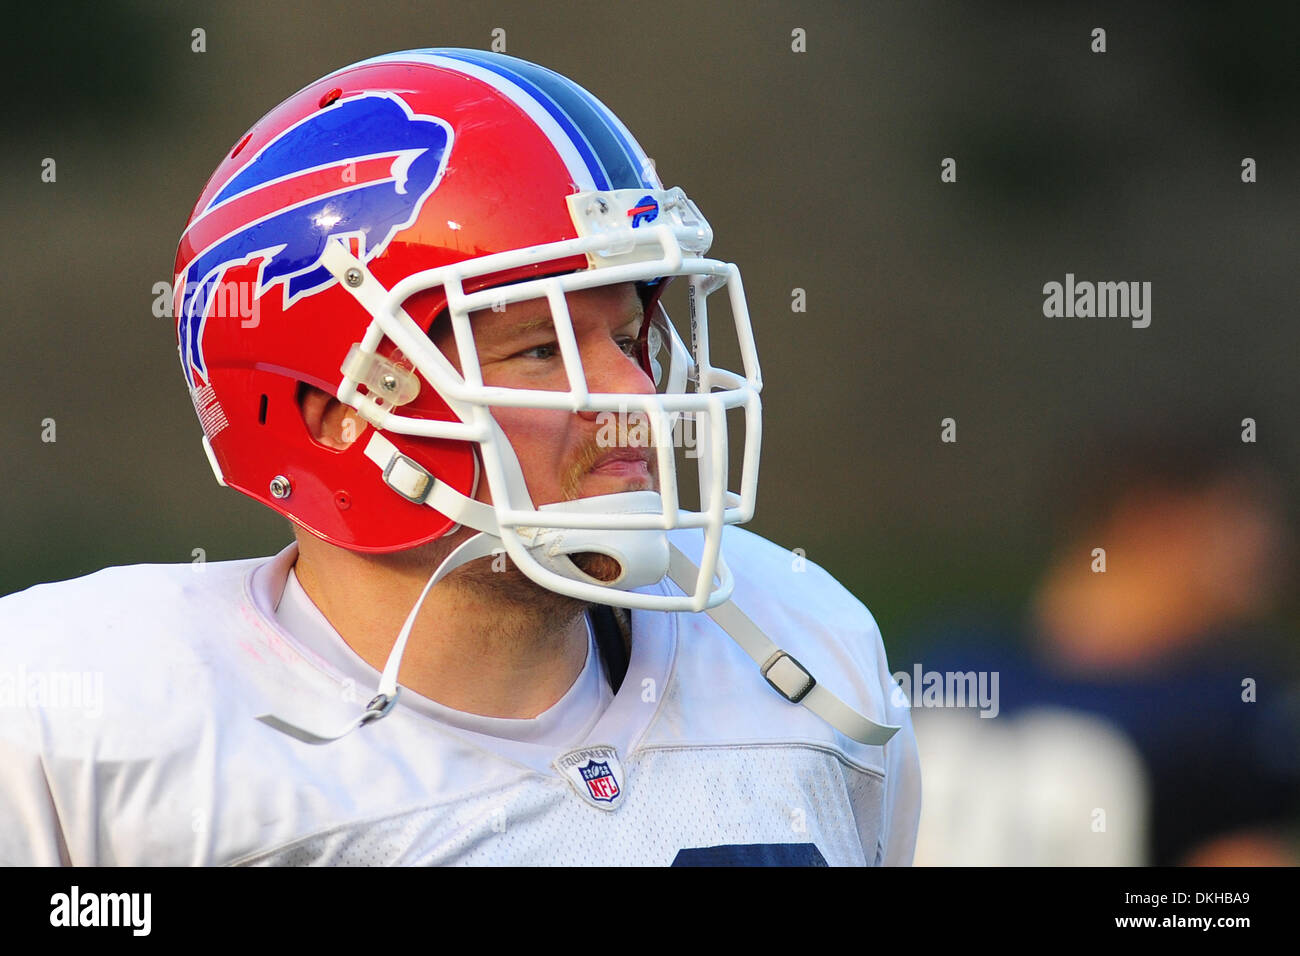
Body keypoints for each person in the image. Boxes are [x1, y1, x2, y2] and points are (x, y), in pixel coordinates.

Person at [0, 49, 919, 866]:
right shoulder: (86, 719)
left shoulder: (806, 655)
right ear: (335, 417)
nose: (637, 396)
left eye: (632, 335)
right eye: (540, 349)